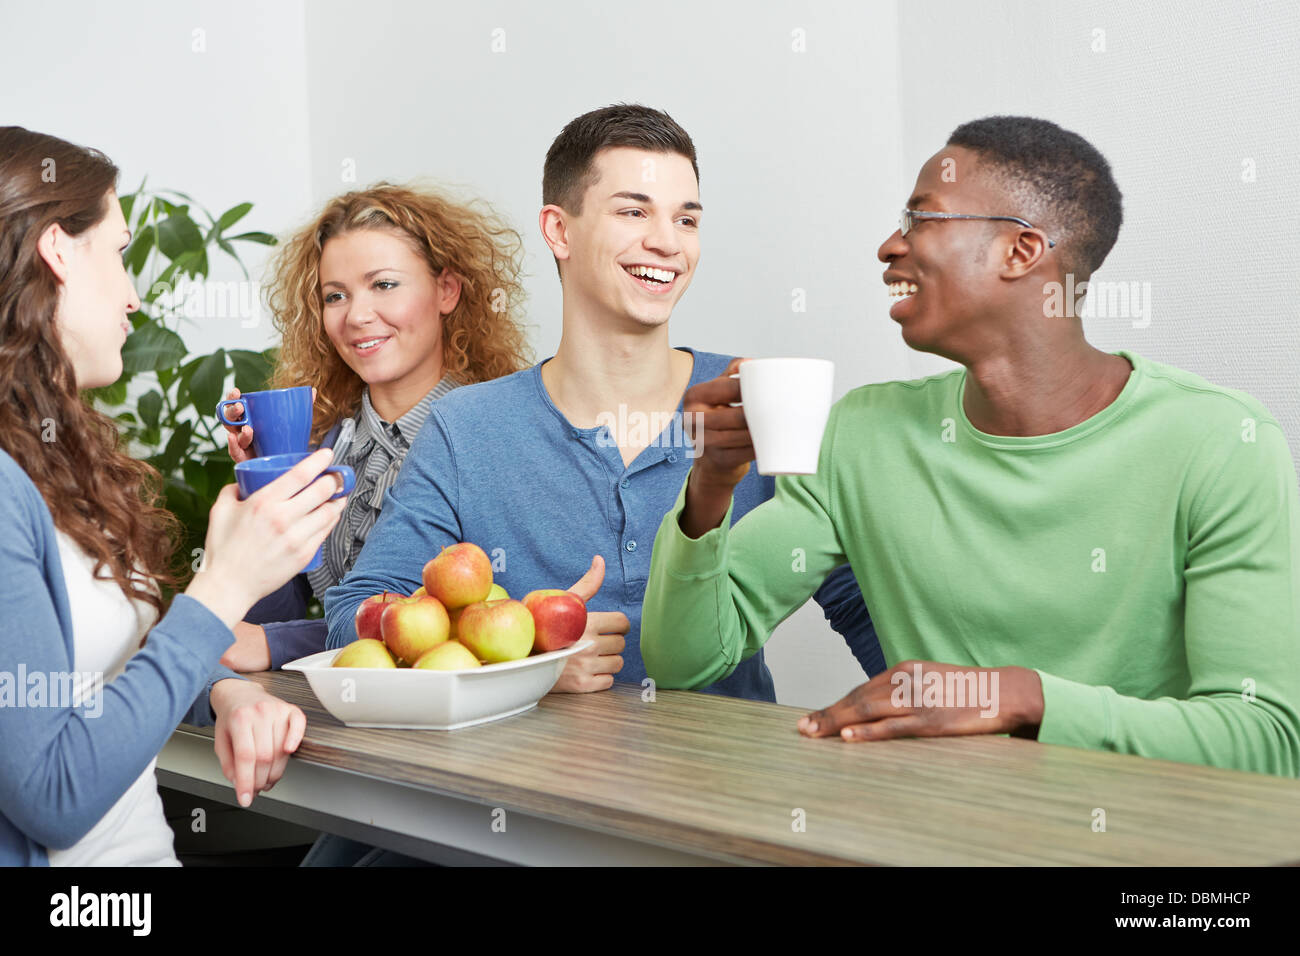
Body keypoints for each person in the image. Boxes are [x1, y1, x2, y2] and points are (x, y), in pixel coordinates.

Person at [640, 115, 1300, 776]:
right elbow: (684, 660)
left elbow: (1267, 742)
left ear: (1021, 251)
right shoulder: (862, 434)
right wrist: (711, 486)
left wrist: (1017, 696)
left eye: (922, 219)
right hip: (945, 829)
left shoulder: (1221, 444)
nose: (888, 247)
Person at [322, 104, 883, 699]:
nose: (667, 243)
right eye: (633, 211)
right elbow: (357, 616)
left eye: (686, 220)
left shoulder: (750, 400)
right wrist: (524, 658)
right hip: (538, 787)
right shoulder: (467, 429)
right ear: (559, 230)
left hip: (729, 783)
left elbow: (861, 604)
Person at [0, 126, 350, 865]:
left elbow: (115, 677)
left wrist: (223, 692)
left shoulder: (51, 463)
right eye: (119, 252)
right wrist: (221, 590)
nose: (132, 296)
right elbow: (54, 796)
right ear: (57, 252)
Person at [216, 183, 531, 673]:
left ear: (447, 291)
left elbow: (472, 627)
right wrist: (266, 486)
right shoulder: (330, 446)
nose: (358, 316)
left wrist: (278, 644)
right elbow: (267, 622)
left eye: (384, 285)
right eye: (336, 296)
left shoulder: (493, 439)